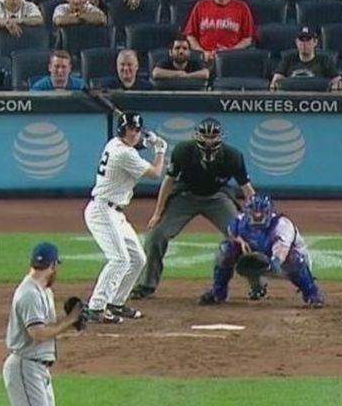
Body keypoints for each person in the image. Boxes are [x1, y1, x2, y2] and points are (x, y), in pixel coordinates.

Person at [130, 117, 256, 300]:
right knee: (156, 235)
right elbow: (169, 181)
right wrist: (158, 213)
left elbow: (247, 189)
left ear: (221, 138)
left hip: (218, 197)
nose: (209, 141)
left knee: (245, 235)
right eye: (205, 136)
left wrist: (257, 217)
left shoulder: (233, 156)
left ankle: (257, 283)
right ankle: (146, 284)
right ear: (197, 136)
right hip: (185, 195)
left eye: (213, 137)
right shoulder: (183, 150)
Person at [2, 242, 82, 406]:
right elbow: (37, 333)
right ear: (52, 265)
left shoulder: (43, 291)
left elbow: (44, 326)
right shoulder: (28, 294)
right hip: (26, 366)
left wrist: (67, 318)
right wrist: (70, 322)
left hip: (39, 367)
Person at [84, 112, 168, 322]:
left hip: (115, 213)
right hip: (102, 211)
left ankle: (116, 302)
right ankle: (96, 307)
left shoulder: (114, 144)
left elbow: (133, 149)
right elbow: (156, 173)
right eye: (131, 129)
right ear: (122, 130)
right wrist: (159, 149)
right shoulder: (125, 154)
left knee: (138, 259)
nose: (134, 133)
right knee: (120, 259)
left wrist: (145, 142)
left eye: (137, 130)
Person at [198, 194, 325, 308]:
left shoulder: (282, 225)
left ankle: (312, 293)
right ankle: (219, 292)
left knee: (293, 258)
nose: (257, 216)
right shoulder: (239, 222)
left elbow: (282, 252)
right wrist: (240, 242)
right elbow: (232, 234)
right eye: (254, 212)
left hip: (287, 264)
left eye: (261, 213)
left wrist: (271, 264)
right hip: (258, 259)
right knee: (226, 249)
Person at [183, 0, 256, 64]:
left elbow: (248, 39)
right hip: (203, 58)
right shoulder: (200, 6)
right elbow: (190, 35)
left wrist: (231, 52)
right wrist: (201, 52)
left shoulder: (242, 7)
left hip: (231, 59)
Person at [269, 26, 342, 91]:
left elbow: (337, 81)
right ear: (296, 42)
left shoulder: (325, 60)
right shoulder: (288, 58)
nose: (304, 44)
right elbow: (275, 82)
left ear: (315, 42)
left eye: (308, 40)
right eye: (301, 40)